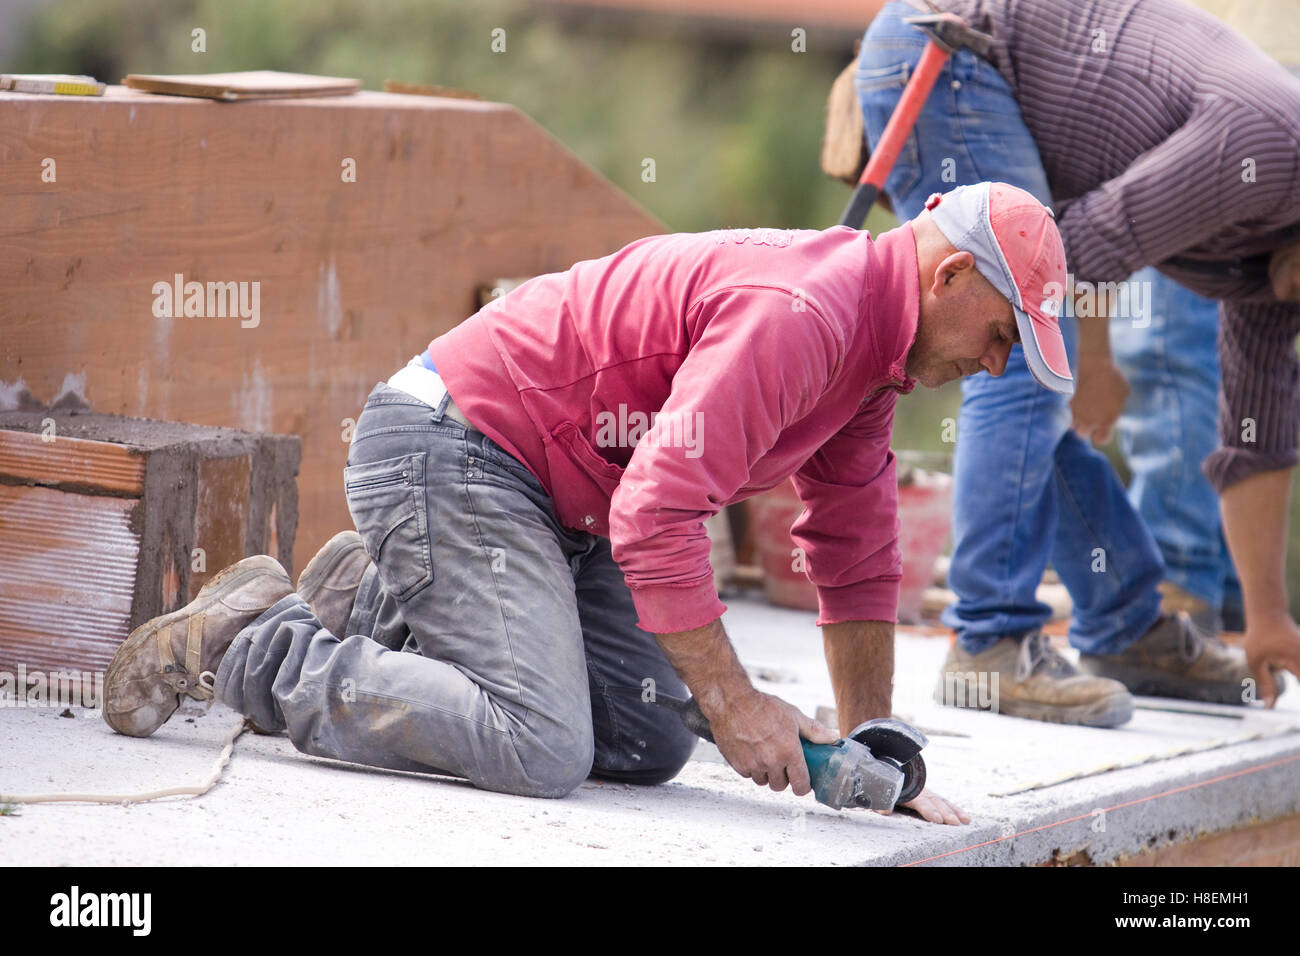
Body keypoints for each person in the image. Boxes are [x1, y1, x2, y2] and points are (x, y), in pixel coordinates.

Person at [104, 181, 1070, 826]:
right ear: (947, 277)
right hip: (456, 446)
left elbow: (855, 553)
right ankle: (254, 645)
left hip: (559, 502)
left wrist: (874, 749)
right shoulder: (808, 314)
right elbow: (657, 513)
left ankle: (379, 602)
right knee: (541, 743)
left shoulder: (874, 358)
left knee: (648, 733)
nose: (994, 366)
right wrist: (733, 702)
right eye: (998, 335)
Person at [854, 0, 1300, 725]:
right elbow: (1077, 254)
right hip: (955, 57)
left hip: (989, 79)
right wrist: (1089, 359)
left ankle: (1125, 628)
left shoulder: (1283, 267)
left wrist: (1269, 617)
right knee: (1027, 341)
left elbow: (1256, 440)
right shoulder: (1270, 146)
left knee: (1038, 370)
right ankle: (990, 642)